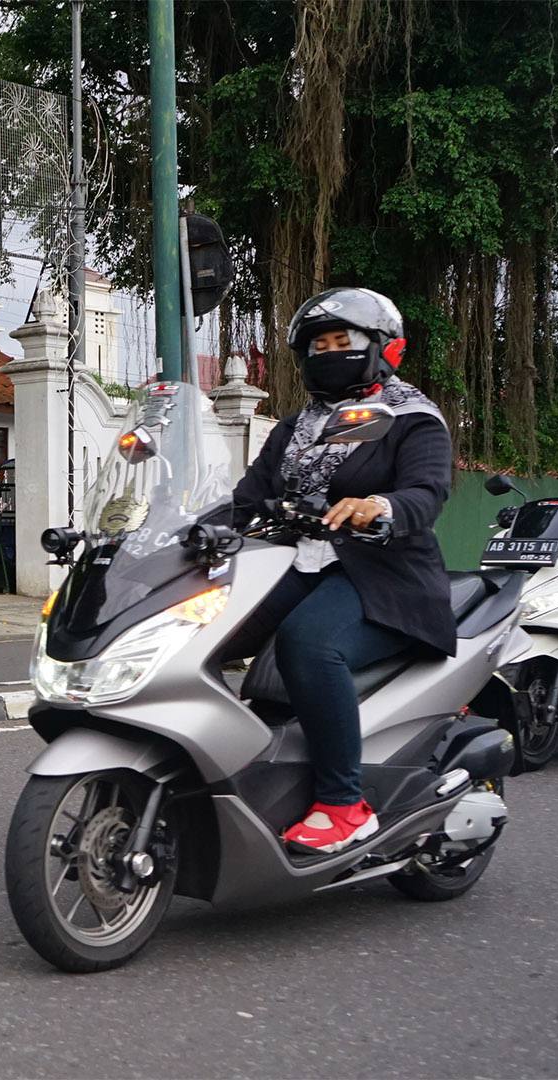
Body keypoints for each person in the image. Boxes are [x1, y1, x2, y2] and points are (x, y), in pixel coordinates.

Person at [229, 287, 456, 854]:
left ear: (380, 348)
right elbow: (247, 498)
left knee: (307, 644)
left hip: (382, 575)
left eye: (344, 340)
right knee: (208, 631)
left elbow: (426, 492)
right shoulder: (294, 428)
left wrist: (380, 507)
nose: (330, 351)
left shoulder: (412, 418)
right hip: (292, 563)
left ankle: (343, 805)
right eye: (319, 344)